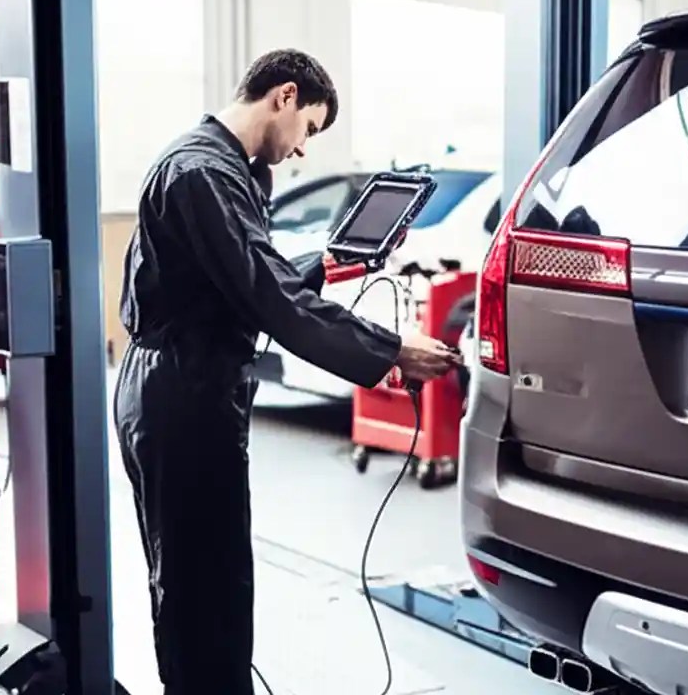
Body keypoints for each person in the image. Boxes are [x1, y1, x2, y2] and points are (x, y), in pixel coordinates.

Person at [113, 48, 460, 694]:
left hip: (190, 381)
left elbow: (235, 285)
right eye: (309, 129)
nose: (303, 150)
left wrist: (326, 265)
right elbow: (265, 296)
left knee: (215, 574)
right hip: (180, 390)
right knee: (199, 582)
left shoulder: (224, 168)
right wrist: (390, 349)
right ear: (285, 96)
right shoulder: (201, 172)